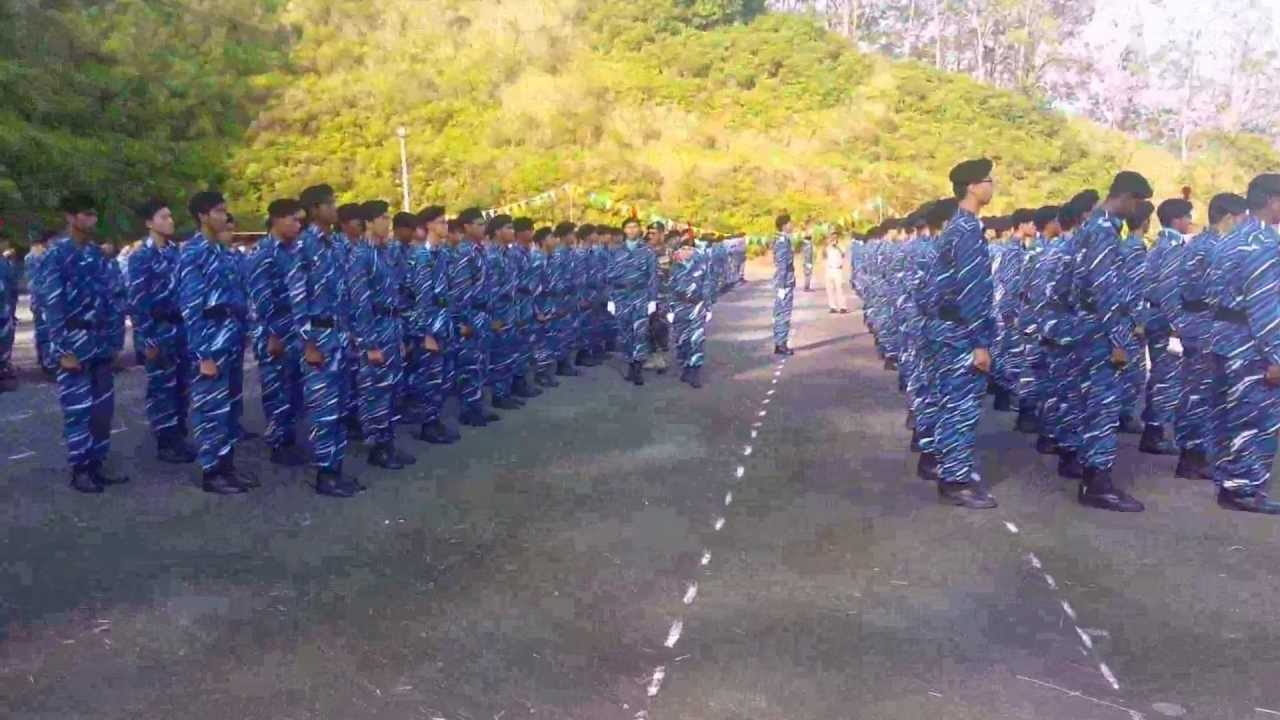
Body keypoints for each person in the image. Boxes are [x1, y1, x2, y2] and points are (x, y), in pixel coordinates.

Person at [1070, 171, 1153, 512]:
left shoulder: (1094, 227)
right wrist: (1118, 340)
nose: (1137, 209)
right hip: (1102, 333)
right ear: (1127, 197)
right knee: (1103, 409)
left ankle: (1095, 477)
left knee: (1094, 407)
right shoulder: (1103, 230)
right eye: (1137, 202)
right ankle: (1098, 484)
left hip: (1088, 328)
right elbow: (1105, 290)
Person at [38, 195, 131, 492]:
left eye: (94, 215)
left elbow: (115, 296)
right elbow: (50, 305)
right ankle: (80, 467)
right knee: (78, 409)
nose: (91, 220)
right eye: (85, 214)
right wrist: (62, 350)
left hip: (100, 341)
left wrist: (115, 340)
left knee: (102, 411)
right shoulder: (56, 254)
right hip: (74, 341)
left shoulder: (97, 255)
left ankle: (97, 464)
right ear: (70, 217)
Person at [919, 160, 997, 509]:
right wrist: (980, 342)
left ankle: (948, 467)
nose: (993, 186)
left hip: (946, 329)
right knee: (961, 406)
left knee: (948, 401)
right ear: (972, 187)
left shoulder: (958, 227)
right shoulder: (966, 230)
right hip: (959, 333)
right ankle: (955, 480)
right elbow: (972, 291)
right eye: (989, 181)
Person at [1207, 174, 1280, 514]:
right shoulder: (1262, 242)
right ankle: (1244, 489)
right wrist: (1276, 355)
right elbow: (1264, 305)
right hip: (1251, 345)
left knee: (1228, 415)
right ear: (1272, 200)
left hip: (1224, 340)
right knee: (1257, 418)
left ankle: (1228, 482)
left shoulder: (1230, 238)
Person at [178, 191, 256, 494]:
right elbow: (191, 306)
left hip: (231, 338)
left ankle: (227, 466)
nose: (225, 216)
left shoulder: (223, 252)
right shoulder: (193, 253)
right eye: (219, 211)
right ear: (202, 216)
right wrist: (202, 354)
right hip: (210, 339)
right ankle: (211, 472)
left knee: (229, 408)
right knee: (210, 408)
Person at [290, 185, 362, 497]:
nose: (336, 209)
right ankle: (325, 474)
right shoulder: (301, 246)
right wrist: (308, 343)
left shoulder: (334, 245)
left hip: (339, 334)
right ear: (315, 209)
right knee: (323, 408)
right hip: (318, 336)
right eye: (330, 204)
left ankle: (336, 467)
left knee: (340, 405)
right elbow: (297, 297)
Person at [1174, 192, 1246, 480]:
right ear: (1229, 216)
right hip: (1207, 323)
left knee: (1194, 388)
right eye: (1242, 217)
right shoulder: (1218, 246)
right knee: (1201, 391)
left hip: (1196, 321)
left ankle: (1193, 453)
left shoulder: (1199, 243)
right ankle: (1194, 456)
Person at [127, 198, 196, 464]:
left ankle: (179, 434)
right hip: (159, 327)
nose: (170, 221)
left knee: (182, 385)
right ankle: (165, 441)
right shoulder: (141, 256)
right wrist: (148, 337)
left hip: (181, 328)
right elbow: (138, 301)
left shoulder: (175, 253)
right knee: (161, 388)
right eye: (163, 217)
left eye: (170, 216)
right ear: (149, 223)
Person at [349, 200, 416, 470]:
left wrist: (398, 338)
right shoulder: (359, 255)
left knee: (391, 389)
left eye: (388, 218)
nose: (387, 223)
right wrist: (369, 343)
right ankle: (377, 446)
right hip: (374, 327)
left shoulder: (386, 253)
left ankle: (387, 441)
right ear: (368, 223)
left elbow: (397, 294)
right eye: (382, 219)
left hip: (392, 324)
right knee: (375, 389)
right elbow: (359, 302)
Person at [247, 198, 308, 467]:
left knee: (294, 387)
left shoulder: (295, 251)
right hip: (273, 331)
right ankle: (278, 442)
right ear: (278, 219)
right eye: (294, 219)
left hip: (295, 329)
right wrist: (272, 334)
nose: (298, 225)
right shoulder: (263, 253)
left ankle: (289, 437)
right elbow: (260, 298)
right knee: (275, 389)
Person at [1137, 198, 1193, 455]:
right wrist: (1176, 324)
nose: (1190, 222)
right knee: (1166, 378)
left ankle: (1153, 429)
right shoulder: (1172, 246)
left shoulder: (1160, 243)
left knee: (1160, 376)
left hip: (1155, 315)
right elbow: (1169, 289)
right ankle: (1155, 433)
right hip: (1164, 318)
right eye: (1188, 217)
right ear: (1176, 219)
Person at [407, 205, 460, 444]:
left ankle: (435, 419)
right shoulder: (420, 256)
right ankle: (427, 424)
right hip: (430, 326)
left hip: (444, 323)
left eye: (445, 222)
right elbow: (419, 298)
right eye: (440, 222)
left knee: (443, 377)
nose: (445, 226)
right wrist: (424, 333)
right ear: (428, 225)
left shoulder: (444, 254)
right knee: (429, 377)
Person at [451, 208, 499, 426]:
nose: (483, 227)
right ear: (467, 227)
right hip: (471, 313)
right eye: (478, 224)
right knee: (469, 364)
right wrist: (465, 321)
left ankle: (478, 405)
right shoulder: (463, 252)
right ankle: (468, 410)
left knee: (481, 362)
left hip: (483, 312)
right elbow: (460, 291)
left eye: (483, 224)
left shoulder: (481, 250)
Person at [608, 217, 658, 385]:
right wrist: (611, 299)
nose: (632, 230)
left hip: (640, 295)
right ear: (624, 230)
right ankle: (630, 362)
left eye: (635, 227)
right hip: (621, 296)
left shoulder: (648, 251)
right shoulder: (615, 251)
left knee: (640, 331)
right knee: (625, 332)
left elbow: (652, 277)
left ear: (639, 230)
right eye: (628, 227)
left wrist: (652, 299)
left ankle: (637, 367)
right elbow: (609, 276)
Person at [671, 234, 710, 388]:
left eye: (689, 249)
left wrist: (708, 307)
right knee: (682, 339)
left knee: (696, 339)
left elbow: (707, 286)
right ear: (679, 252)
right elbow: (670, 290)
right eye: (683, 249)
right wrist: (670, 309)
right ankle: (685, 366)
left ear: (694, 251)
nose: (686, 252)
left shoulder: (701, 267)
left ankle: (695, 371)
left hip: (697, 306)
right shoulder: (674, 268)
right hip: (679, 307)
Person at [772, 214, 796, 356]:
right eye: (790, 223)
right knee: (783, 313)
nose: (792, 226)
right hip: (785, 281)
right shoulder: (782, 241)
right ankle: (781, 344)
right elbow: (782, 265)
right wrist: (781, 285)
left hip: (786, 280)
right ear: (784, 225)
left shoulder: (783, 240)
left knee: (782, 312)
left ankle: (780, 342)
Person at [823, 233, 848, 314]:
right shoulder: (828, 247)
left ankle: (843, 307)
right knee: (830, 289)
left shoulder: (841, 246)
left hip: (838, 270)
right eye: (832, 237)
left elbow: (843, 254)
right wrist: (826, 245)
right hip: (829, 269)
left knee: (839, 289)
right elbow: (824, 255)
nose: (834, 239)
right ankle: (832, 306)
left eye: (835, 237)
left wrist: (837, 247)